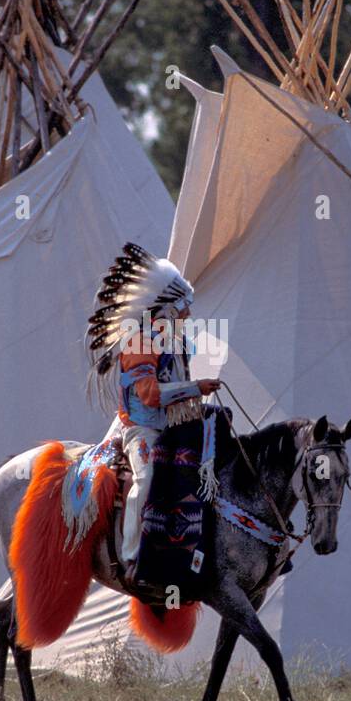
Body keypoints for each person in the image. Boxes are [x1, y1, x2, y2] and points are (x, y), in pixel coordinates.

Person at [86, 243, 220, 585]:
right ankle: (133, 558)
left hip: (173, 426)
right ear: (162, 312)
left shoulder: (175, 344)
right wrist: (196, 388)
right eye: (181, 310)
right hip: (141, 430)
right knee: (146, 480)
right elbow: (150, 395)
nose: (187, 316)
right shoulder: (139, 344)